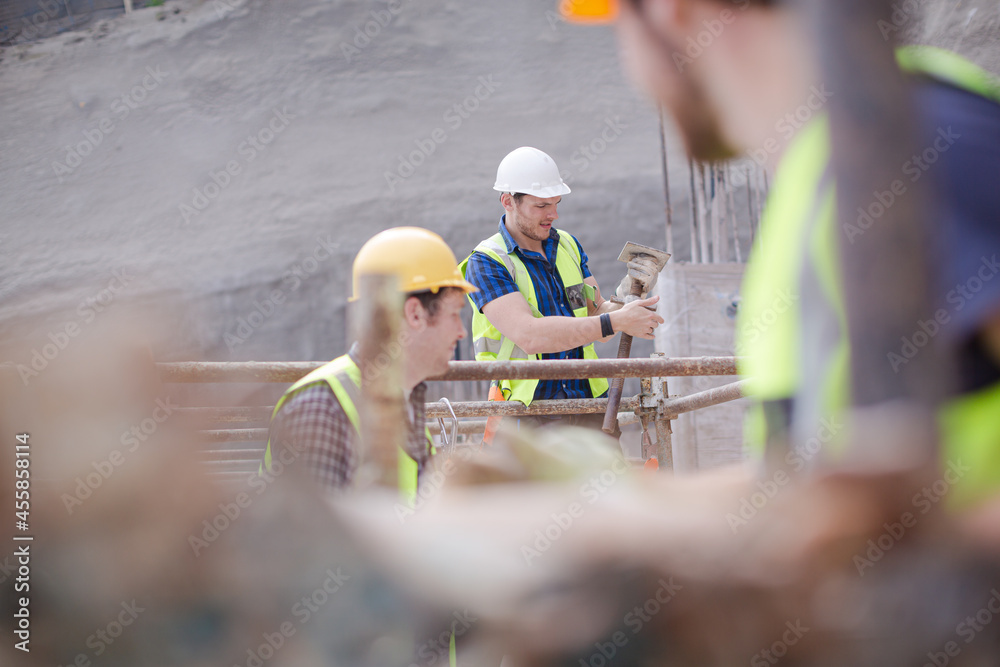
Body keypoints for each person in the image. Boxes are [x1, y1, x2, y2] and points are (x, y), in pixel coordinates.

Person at [561, 0, 1000, 506]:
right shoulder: (823, 180)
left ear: (669, 11)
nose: (633, 71)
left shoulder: (916, 146)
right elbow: (816, 491)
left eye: (619, 27)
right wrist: (606, 511)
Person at [261, 227, 477, 501]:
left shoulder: (406, 399)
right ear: (415, 313)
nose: (462, 332)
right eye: (455, 313)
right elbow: (311, 539)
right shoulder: (320, 407)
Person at [460, 146, 665, 430]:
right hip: (528, 414)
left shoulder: (567, 246)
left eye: (556, 203)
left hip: (590, 405)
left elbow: (595, 316)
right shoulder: (487, 262)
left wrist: (625, 296)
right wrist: (617, 320)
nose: (553, 214)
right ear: (508, 201)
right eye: (541, 206)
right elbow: (529, 335)